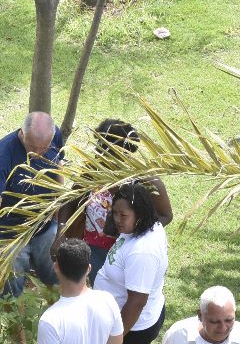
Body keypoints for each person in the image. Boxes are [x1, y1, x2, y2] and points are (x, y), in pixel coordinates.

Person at [93, 180, 169, 344]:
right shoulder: (149, 226)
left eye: (123, 215)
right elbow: (165, 211)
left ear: (141, 213)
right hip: (138, 322)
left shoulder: (142, 252)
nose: (117, 220)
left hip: (132, 326)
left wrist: (114, 340)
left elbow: (136, 302)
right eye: (115, 213)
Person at [58, 119, 172, 279]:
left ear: (123, 151)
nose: (99, 153)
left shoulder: (144, 180)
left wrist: (134, 233)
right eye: (99, 146)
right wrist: (60, 234)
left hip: (131, 252)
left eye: (105, 148)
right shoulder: (92, 172)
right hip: (95, 250)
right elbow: (70, 200)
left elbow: (166, 215)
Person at [0, 111, 64, 297]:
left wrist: (59, 211)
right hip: (12, 234)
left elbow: (59, 167)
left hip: (45, 226)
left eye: (43, 149)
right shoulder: (2, 154)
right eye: (32, 146)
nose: (36, 153)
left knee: (57, 280)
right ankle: (16, 327)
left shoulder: (55, 135)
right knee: (10, 293)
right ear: (22, 133)